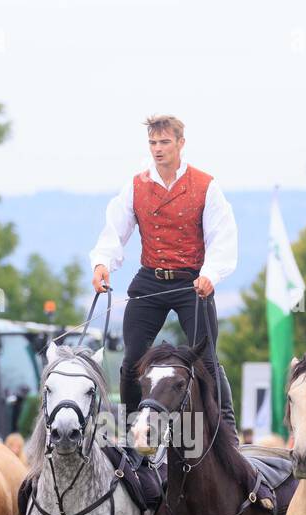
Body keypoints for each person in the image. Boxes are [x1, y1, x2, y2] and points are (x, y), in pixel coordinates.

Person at [90, 114, 239, 430]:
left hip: (192, 283)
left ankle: (224, 430)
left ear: (180, 144)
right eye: (153, 143)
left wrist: (210, 273)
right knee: (132, 361)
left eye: (164, 142)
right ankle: (133, 433)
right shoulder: (136, 186)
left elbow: (222, 236)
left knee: (207, 361)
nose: (157, 149)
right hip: (150, 280)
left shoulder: (205, 186)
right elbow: (115, 230)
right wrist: (102, 262)